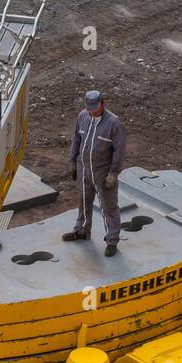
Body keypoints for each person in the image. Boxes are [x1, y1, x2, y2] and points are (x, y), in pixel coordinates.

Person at [63, 90, 126, 257]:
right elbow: (76, 138)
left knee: (108, 206)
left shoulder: (114, 124)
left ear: (102, 104)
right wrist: (72, 160)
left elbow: (119, 151)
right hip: (84, 168)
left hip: (103, 172)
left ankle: (112, 240)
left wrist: (113, 173)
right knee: (84, 200)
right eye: (90, 109)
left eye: (96, 108)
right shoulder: (83, 117)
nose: (93, 112)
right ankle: (82, 230)